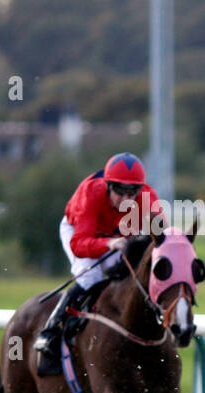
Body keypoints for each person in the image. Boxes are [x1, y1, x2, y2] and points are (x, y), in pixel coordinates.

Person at [34, 152, 163, 376]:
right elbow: (79, 244)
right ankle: (51, 332)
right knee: (89, 277)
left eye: (132, 193)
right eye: (119, 192)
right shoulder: (91, 193)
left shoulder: (147, 196)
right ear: (108, 186)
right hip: (79, 232)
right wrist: (108, 243)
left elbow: (161, 237)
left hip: (116, 236)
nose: (126, 200)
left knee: (127, 275)